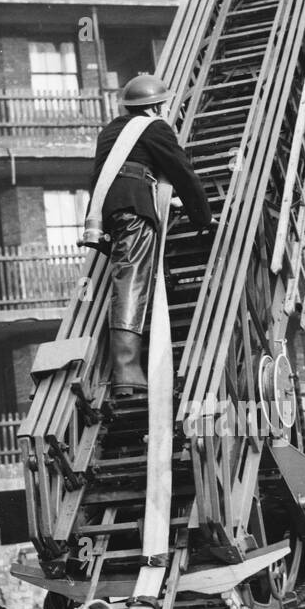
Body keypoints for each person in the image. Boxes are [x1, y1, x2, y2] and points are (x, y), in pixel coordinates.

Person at [91, 73, 214, 397]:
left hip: (109, 211)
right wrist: (202, 216)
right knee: (131, 278)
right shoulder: (154, 128)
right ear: (156, 106)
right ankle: (127, 367)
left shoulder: (111, 131)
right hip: (134, 210)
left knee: (130, 274)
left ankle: (130, 363)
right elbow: (181, 171)